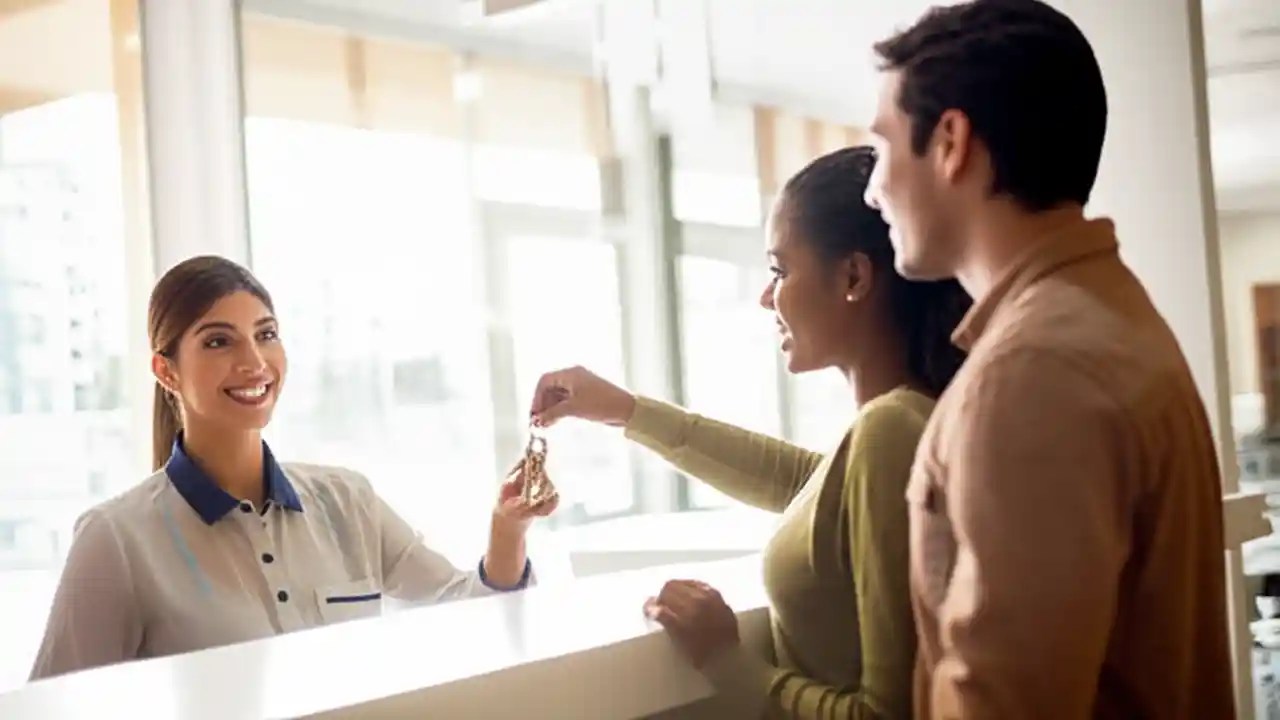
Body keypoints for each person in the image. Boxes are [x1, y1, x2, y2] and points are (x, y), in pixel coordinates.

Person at [863, 1, 1233, 718]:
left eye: (881, 148)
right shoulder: (1102, 315)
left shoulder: (1032, 371)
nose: (873, 188)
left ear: (950, 142)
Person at [530, 146, 971, 719]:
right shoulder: (906, 422)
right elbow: (803, 485)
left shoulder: (892, 428)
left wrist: (724, 658)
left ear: (855, 276)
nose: (767, 296)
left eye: (779, 271)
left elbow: (886, 716)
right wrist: (625, 411)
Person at [29, 256, 555, 680]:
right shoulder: (116, 539)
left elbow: (471, 616)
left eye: (266, 333)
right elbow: (51, 713)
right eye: (218, 341)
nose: (254, 362)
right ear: (166, 370)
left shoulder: (349, 501)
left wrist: (507, 527)